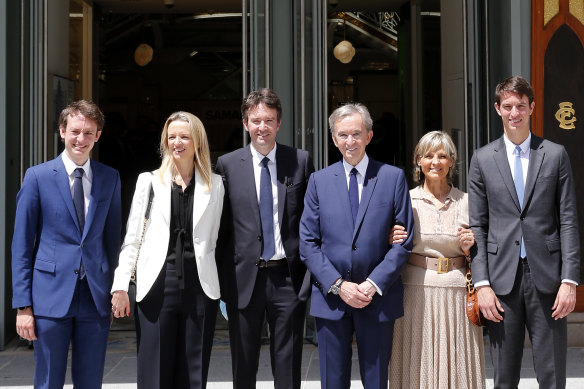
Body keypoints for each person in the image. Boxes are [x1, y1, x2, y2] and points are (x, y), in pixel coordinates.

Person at [468, 76, 580, 388]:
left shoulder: (555, 154)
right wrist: (482, 284)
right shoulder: (481, 160)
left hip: (548, 280)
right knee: (504, 376)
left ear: (531, 107)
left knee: (552, 374)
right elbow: (478, 224)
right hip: (501, 282)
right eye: (507, 106)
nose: (514, 112)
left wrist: (569, 281)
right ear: (497, 109)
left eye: (520, 105)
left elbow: (568, 219)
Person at [299, 103, 413, 389]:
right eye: (343, 135)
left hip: (376, 299)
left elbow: (404, 242)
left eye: (356, 134)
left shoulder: (392, 177)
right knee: (332, 383)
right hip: (332, 300)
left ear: (369, 136)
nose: (350, 141)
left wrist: (372, 284)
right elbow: (308, 243)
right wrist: (339, 285)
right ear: (334, 139)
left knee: (376, 382)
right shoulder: (318, 181)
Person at [12, 100, 122, 388]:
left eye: (88, 133)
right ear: (62, 132)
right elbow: (21, 246)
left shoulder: (110, 178)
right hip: (49, 296)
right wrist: (23, 306)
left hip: (95, 298)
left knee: (90, 381)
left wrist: (115, 290)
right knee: (48, 381)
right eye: (75, 131)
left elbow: (113, 242)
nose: (81, 139)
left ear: (98, 135)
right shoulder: (37, 177)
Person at [110, 111, 224, 388]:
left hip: (200, 285)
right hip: (158, 283)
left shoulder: (215, 184)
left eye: (184, 136)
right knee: (154, 371)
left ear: (197, 141)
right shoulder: (147, 182)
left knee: (194, 371)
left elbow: (214, 239)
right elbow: (133, 238)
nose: (177, 142)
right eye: (171, 137)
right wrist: (120, 285)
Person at [216, 88, 315, 389]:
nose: (262, 127)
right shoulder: (227, 165)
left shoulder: (300, 160)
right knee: (243, 364)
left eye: (269, 120)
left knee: (287, 364)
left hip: (287, 277)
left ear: (279, 123)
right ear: (245, 123)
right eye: (256, 120)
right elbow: (220, 230)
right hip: (244, 278)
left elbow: (313, 219)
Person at [388, 131, 486, 388]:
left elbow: (483, 252)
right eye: (428, 155)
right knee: (418, 363)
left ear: (452, 161)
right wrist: (389, 238)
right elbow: (389, 248)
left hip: (456, 294)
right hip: (414, 293)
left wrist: (470, 248)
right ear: (418, 161)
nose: (435, 162)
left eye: (442, 156)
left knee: (457, 363)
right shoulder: (406, 201)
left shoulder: (467, 201)